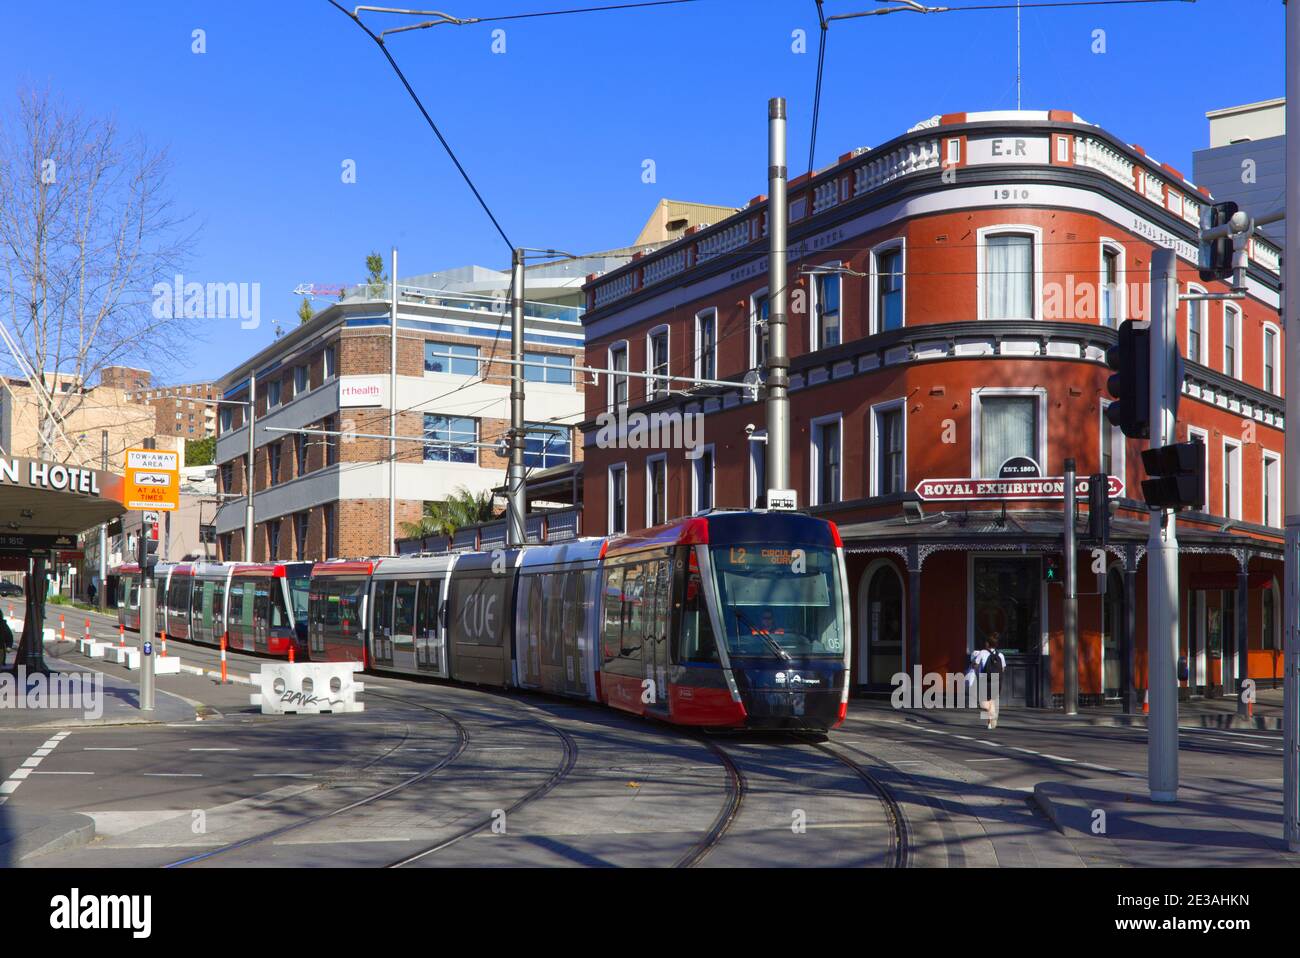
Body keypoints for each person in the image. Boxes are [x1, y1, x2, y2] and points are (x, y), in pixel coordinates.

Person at [967, 633, 1006, 729]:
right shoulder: (1000, 654)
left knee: (984, 703)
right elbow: (1003, 668)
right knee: (992, 701)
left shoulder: (982, 653)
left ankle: (990, 720)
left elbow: (975, 665)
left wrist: (974, 666)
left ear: (988, 643)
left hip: (985, 678)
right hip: (997, 679)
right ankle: (991, 721)